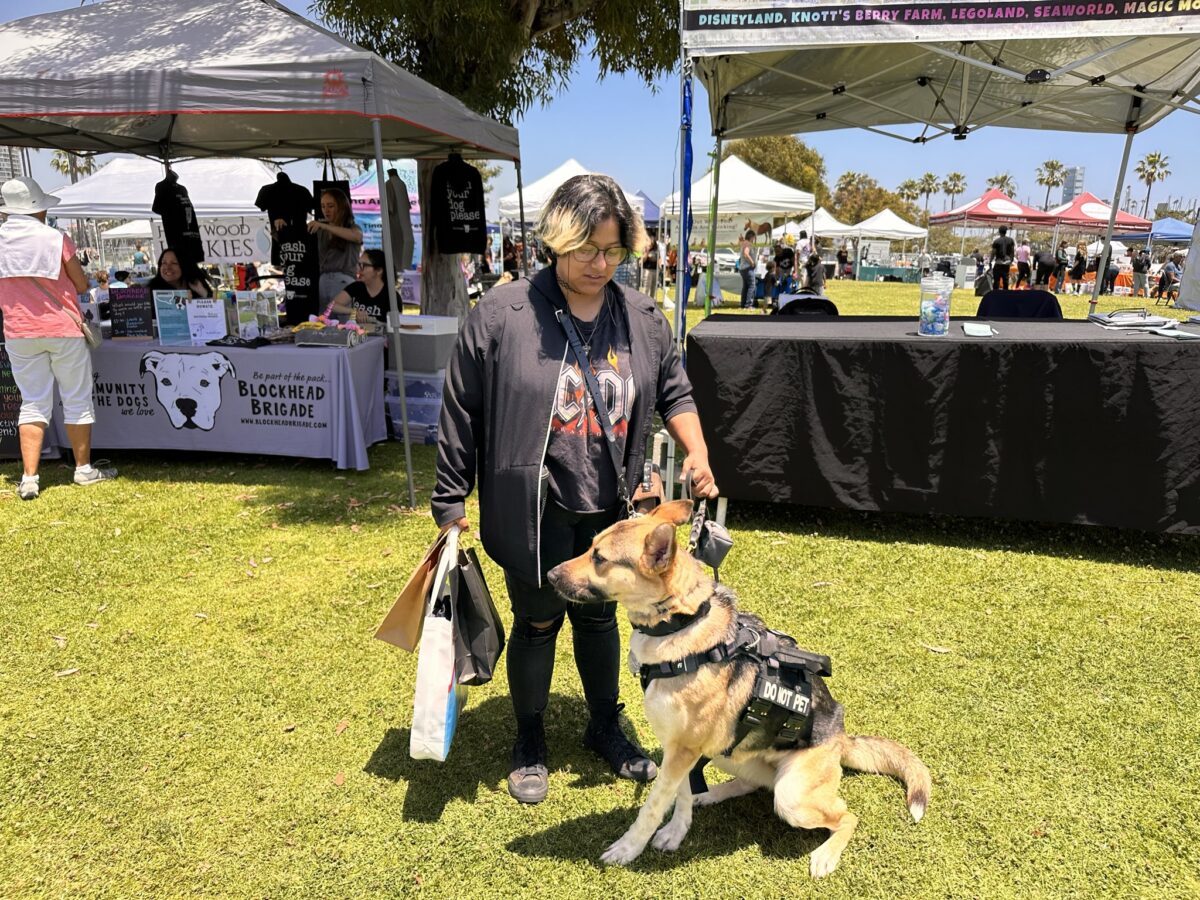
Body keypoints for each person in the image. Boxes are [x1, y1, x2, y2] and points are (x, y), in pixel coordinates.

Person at [432, 173, 718, 806]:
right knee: (536, 623)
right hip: (531, 508)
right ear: (555, 241)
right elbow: (461, 408)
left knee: (598, 623)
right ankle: (530, 737)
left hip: (612, 511)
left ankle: (603, 726)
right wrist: (451, 502)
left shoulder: (640, 318)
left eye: (614, 251)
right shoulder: (503, 314)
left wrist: (695, 451)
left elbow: (674, 389)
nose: (601, 264)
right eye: (588, 249)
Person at [0, 177, 117, 500]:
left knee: (32, 402)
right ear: (37, 209)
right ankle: (83, 469)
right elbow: (80, 284)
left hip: (18, 330)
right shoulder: (55, 238)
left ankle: (29, 477)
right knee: (76, 398)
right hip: (62, 328)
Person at [307, 187, 363, 305]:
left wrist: (324, 226)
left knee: (342, 322)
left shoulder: (352, 227)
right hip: (322, 281)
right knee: (323, 322)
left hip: (344, 280)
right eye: (323, 206)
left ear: (341, 207)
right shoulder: (320, 230)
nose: (326, 210)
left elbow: (357, 236)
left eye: (330, 206)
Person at [326, 248, 389, 323]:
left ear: (379, 270)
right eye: (359, 264)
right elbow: (331, 306)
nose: (358, 269)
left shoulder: (391, 296)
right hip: (356, 333)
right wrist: (354, 311)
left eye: (364, 265)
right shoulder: (356, 287)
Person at [147, 248, 212, 298]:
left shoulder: (196, 287)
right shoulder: (150, 292)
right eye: (164, 263)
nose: (168, 267)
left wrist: (203, 293)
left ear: (185, 266)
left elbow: (216, 312)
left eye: (174, 263)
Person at [990, 225, 1015, 291]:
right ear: (1006, 232)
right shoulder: (1011, 240)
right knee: (1005, 280)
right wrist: (1011, 260)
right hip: (1007, 263)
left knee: (996, 280)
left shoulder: (996, 241)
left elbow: (993, 252)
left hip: (998, 262)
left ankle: (995, 294)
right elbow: (1012, 252)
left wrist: (990, 261)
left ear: (999, 231)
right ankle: (1005, 294)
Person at [738, 229, 755, 309]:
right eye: (753, 238)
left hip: (742, 268)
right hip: (747, 268)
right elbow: (746, 254)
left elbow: (740, 243)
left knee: (745, 287)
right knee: (752, 286)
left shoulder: (743, 243)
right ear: (751, 236)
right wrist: (752, 262)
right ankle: (748, 305)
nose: (754, 239)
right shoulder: (748, 244)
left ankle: (743, 304)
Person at [640, 231, 659, 300]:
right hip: (647, 269)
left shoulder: (656, 248)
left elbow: (657, 258)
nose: (651, 241)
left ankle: (652, 300)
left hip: (655, 269)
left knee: (653, 287)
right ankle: (644, 301)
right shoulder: (644, 249)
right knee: (646, 287)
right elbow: (642, 260)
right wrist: (647, 253)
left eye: (652, 240)